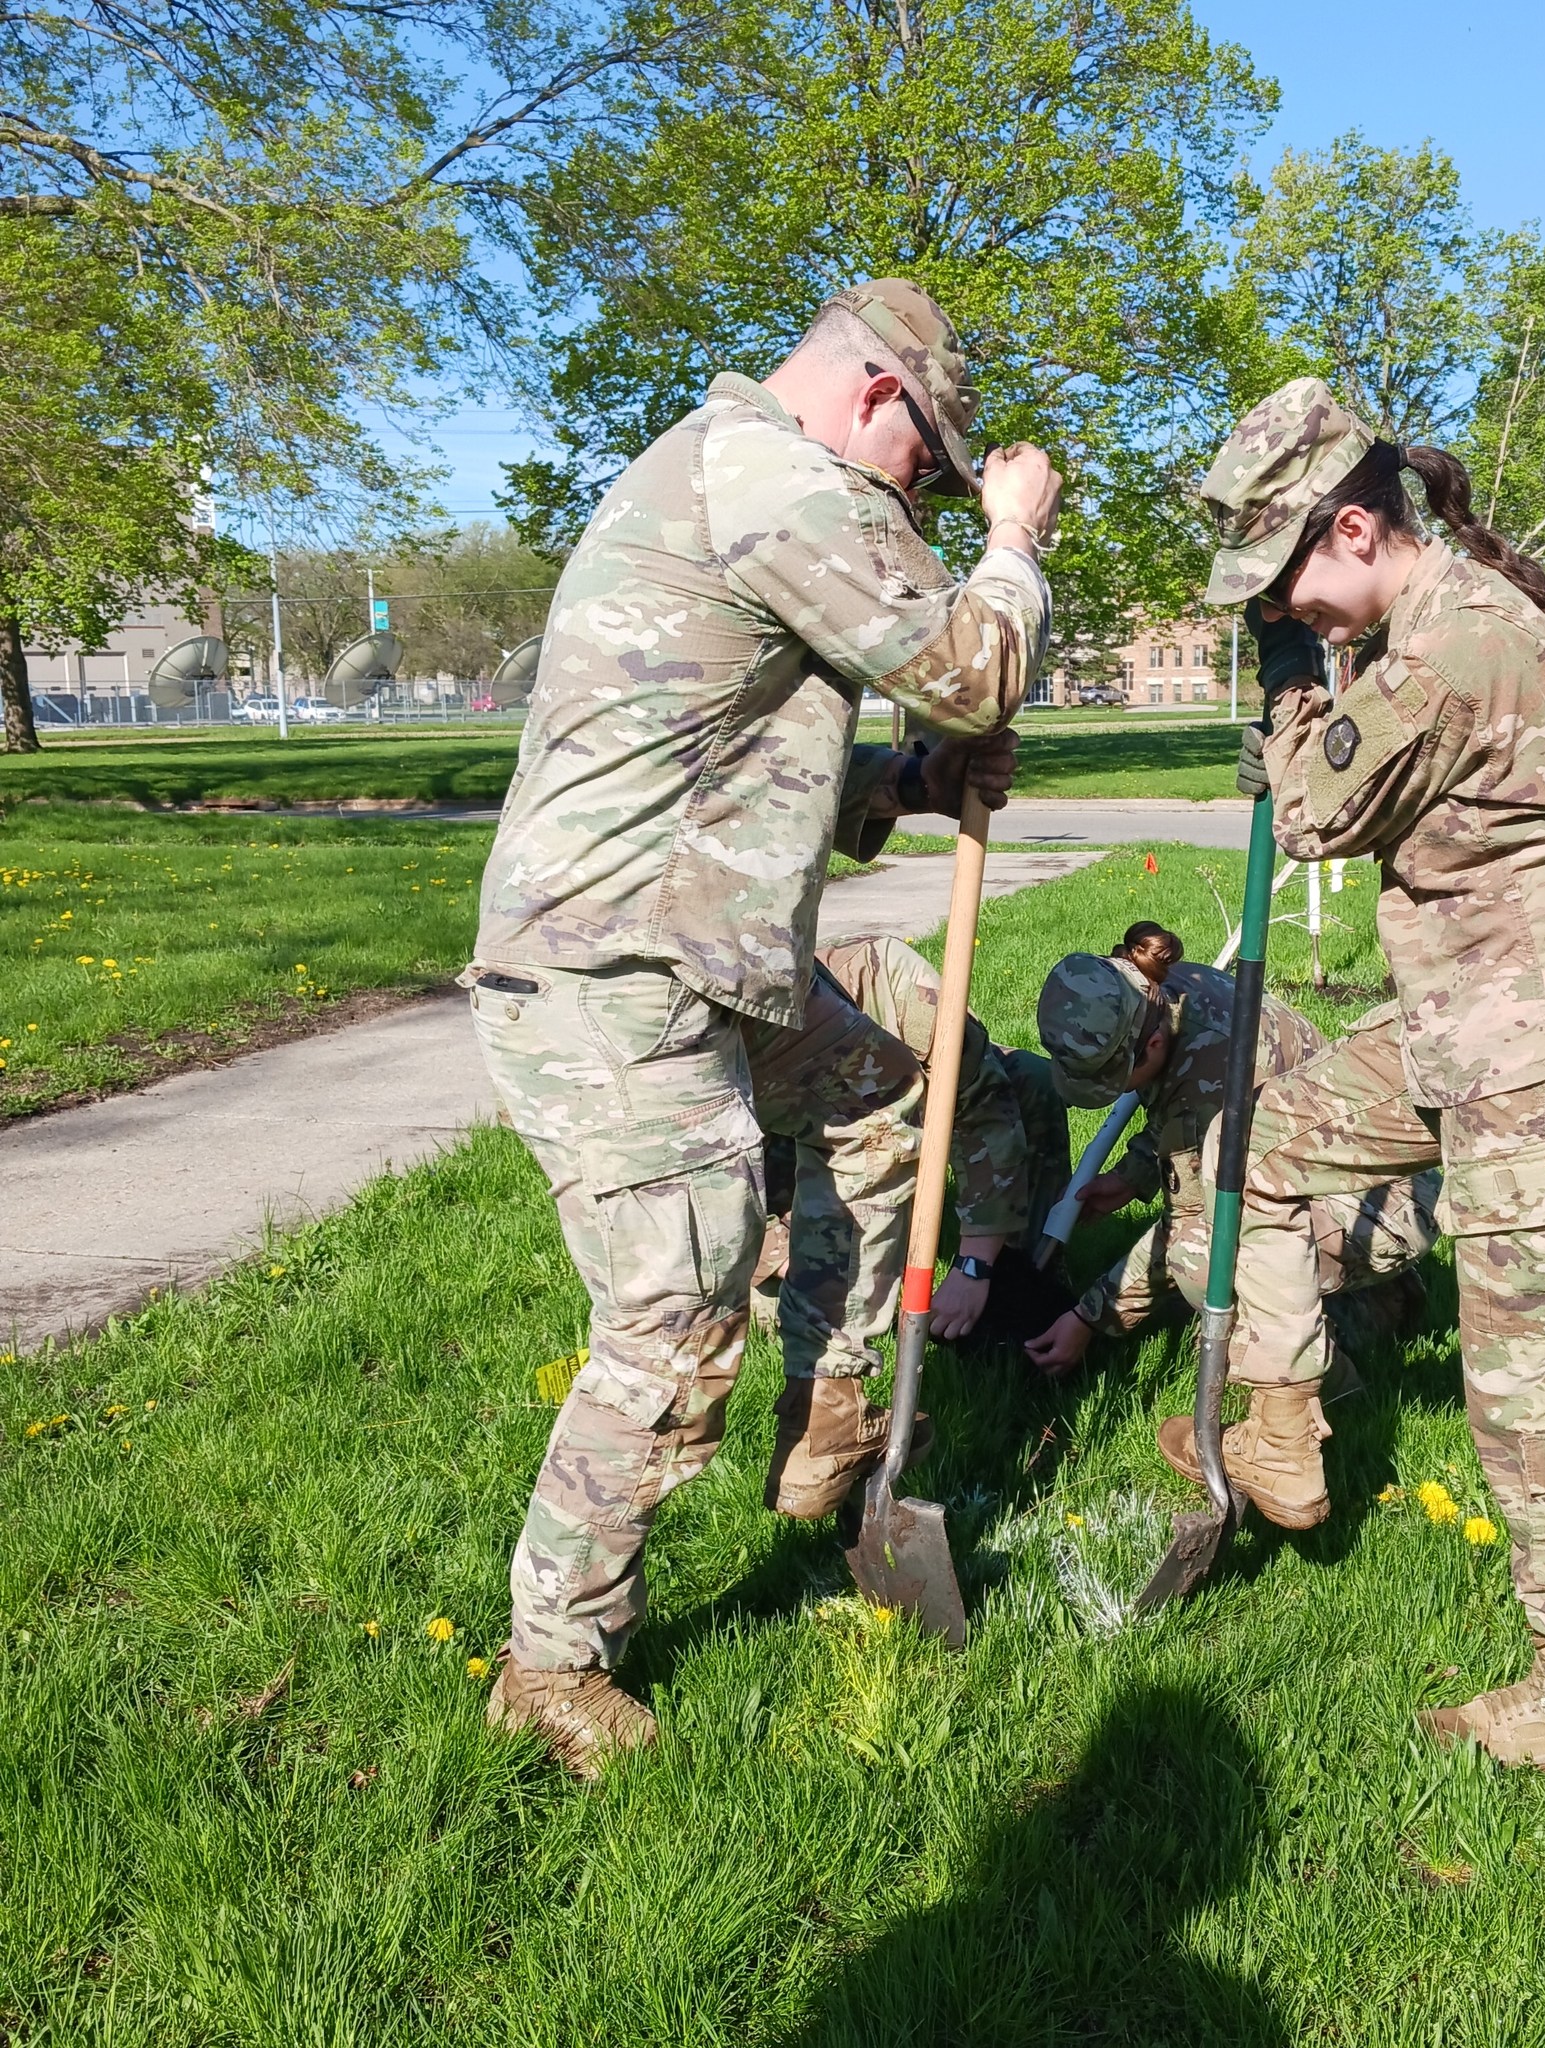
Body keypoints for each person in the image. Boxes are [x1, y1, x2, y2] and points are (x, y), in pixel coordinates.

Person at [465, 279, 1062, 1777]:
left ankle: (829, 1404)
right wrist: (1011, 539)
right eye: (923, 464)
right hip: (616, 979)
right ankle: (553, 1664)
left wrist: (913, 783)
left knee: (881, 1092)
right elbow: (970, 666)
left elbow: (733, 759)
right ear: (877, 397)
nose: (918, 495)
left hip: (694, 958)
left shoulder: (728, 474)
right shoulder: (773, 475)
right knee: (671, 1321)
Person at [1187, 376, 1545, 1767]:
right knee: (1251, 1151)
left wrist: (1291, 693)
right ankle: (1284, 1418)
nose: (1283, 609)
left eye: (1284, 582)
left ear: (1354, 530)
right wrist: (1305, 666)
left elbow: (1312, 810)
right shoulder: (1423, 622)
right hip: (1467, 1025)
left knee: (1533, 1390)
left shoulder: (1456, 644)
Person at [1023, 936, 1439, 1500]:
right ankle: (1378, 1301)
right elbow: (1174, 1115)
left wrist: (1090, 1316)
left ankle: (1324, 1394)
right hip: (1342, 1171)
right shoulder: (1163, 991)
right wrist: (1133, 1177)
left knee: (1202, 1263)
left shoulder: (1214, 1066)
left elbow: (1189, 1227)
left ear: (1151, 1044)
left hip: (1385, 1199)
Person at [750, 931, 1071, 1372]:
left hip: (894, 1095)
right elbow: (696, 1188)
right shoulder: (726, 1034)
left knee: (1030, 1080)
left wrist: (975, 1266)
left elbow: (984, 1111)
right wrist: (792, 1257)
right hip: (783, 1148)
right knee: (786, 1315)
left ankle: (1018, 1272)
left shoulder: (896, 988)